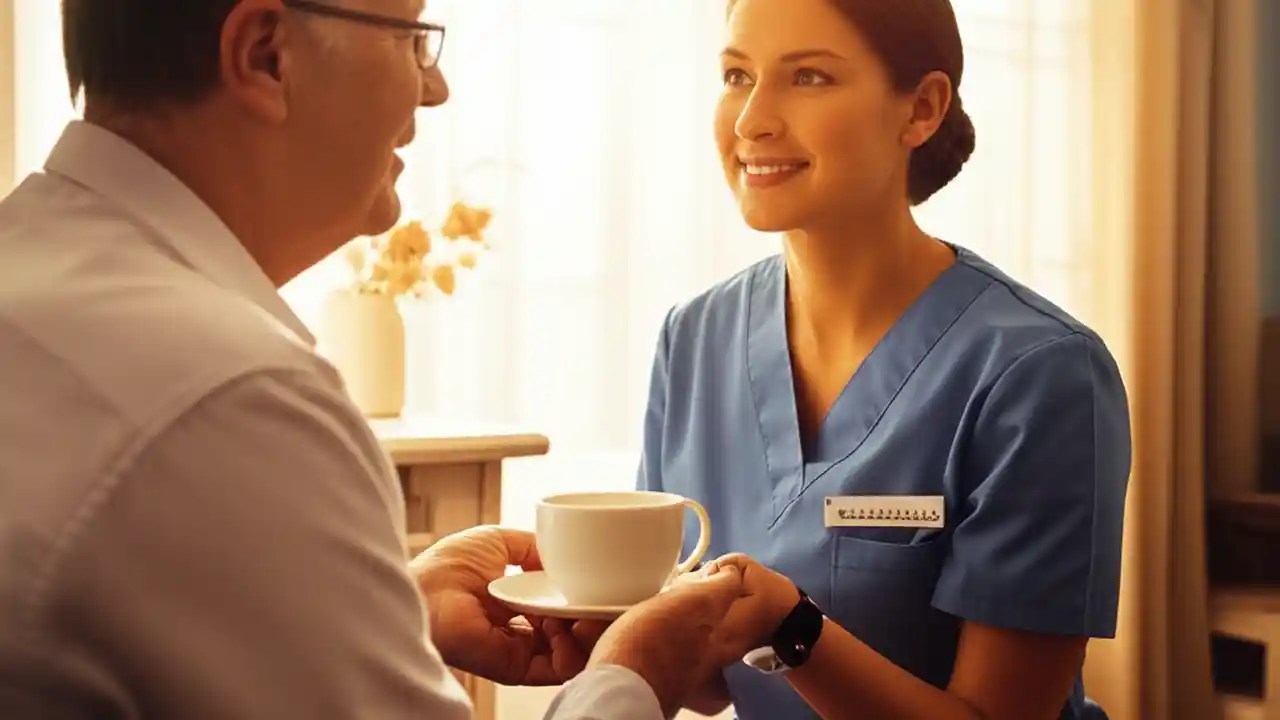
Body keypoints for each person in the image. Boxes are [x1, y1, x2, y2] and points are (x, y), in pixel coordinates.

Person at [0, 1, 752, 718]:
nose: (436, 88)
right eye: (411, 38)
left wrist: (389, 610)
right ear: (265, 55)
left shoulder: (36, 277)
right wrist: (635, 676)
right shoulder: (228, 398)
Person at [636, 0, 1132, 718]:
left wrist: (793, 628)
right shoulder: (692, 339)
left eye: (807, 77)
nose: (751, 121)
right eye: (737, 74)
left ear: (922, 109)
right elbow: (709, 684)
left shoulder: (1042, 376)